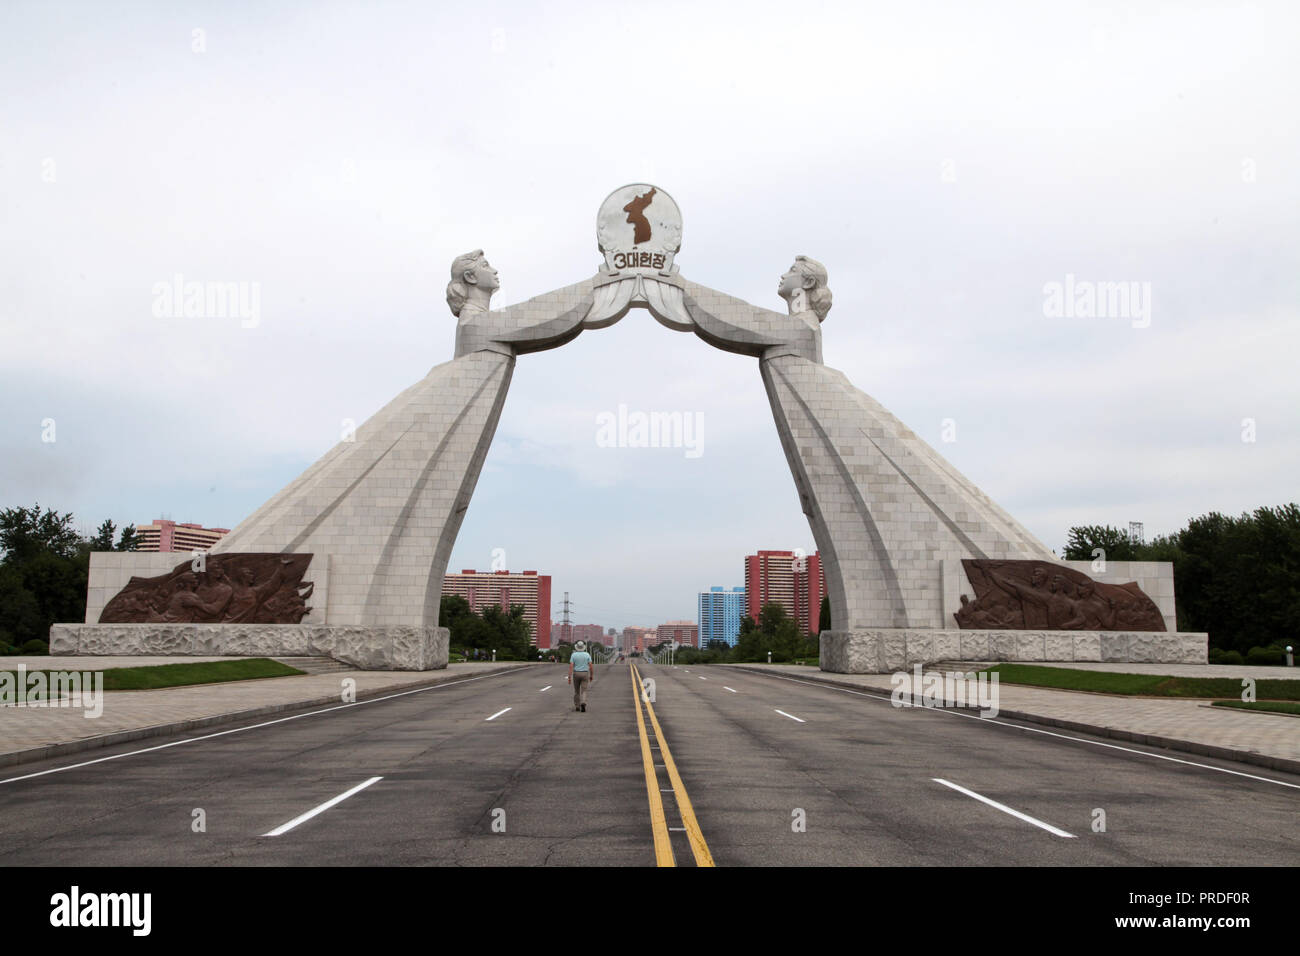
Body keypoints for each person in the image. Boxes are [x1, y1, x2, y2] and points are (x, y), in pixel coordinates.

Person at [568, 641, 594, 712]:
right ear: (583, 647)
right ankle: (583, 702)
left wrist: (569, 677)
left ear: (577, 647)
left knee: (577, 691)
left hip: (576, 673)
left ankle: (577, 706)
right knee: (584, 690)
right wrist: (591, 675)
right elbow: (591, 666)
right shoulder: (587, 654)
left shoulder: (573, 655)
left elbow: (571, 666)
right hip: (585, 673)